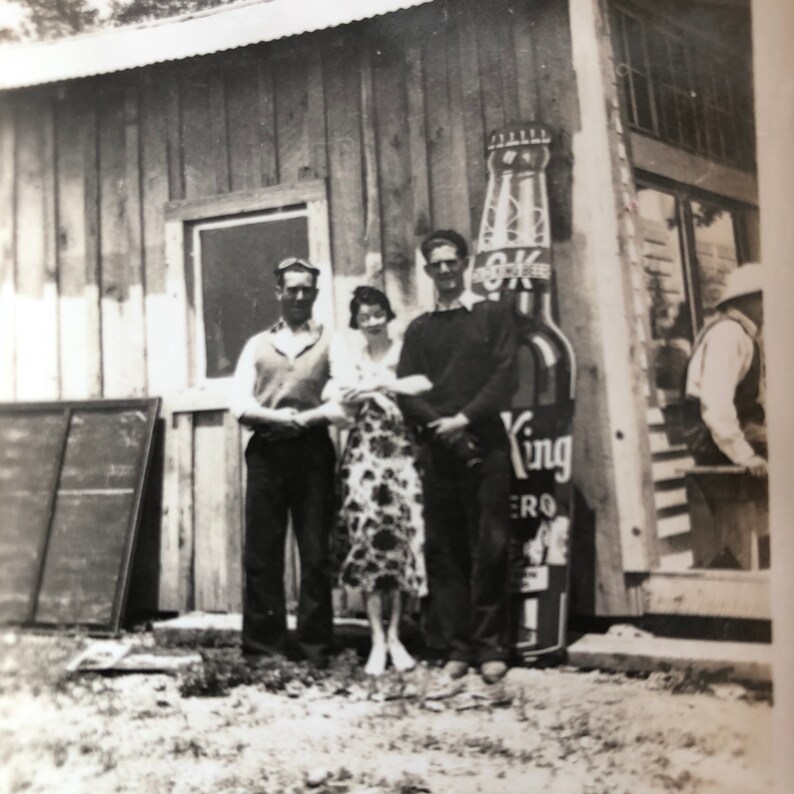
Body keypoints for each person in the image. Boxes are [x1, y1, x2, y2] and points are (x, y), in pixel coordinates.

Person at [396, 229, 518, 684]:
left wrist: (464, 419)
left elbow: (505, 376)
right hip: (437, 446)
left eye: (452, 261)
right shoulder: (420, 328)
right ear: (427, 270)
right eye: (436, 264)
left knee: (490, 545)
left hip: (484, 441)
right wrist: (439, 426)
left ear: (465, 263)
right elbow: (405, 388)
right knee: (444, 549)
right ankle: (457, 648)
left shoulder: (491, 314)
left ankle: (491, 648)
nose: (444, 270)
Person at [230, 256, 342, 668]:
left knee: (315, 552)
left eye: (306, 290)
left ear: (315, 293)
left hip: (313, 452)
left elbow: (340, 400)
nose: (298, 296)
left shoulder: (330, 342)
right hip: (267, 452)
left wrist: (306, 420)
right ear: (278, 292)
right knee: (262, 552)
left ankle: (315, 650)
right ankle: (263, 649)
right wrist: (281, 419)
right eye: (291, 289)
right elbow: (240, 404)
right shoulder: (257, 345)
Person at [324, 286, 431, 676]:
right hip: (364, 460)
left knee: (401, 541)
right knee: (368, 543)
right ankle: (376, 640)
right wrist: (363, 390)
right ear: (357, 322)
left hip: (402, 455)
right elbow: (336, 393)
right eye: (364, 316)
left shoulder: (404, 350)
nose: (372, 322)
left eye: (378, 314)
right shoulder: (352, 357)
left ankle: (397, 635)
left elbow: (423, 384)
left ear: (388, 315)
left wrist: (379, 386)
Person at [682, 263, 767, 477]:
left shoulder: (746, 335)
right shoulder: (728, 335)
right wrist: (744, 455)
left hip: (737, 430)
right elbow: (716, 405)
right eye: (765, 297)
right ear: (747, 299)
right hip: (710, 438)